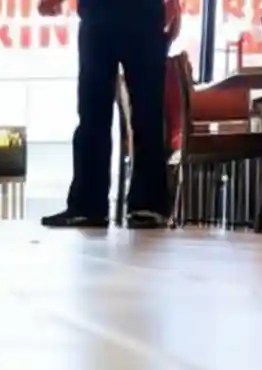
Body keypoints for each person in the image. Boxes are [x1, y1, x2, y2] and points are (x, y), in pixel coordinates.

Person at [38, 0, 181, 229]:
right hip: (112, 12)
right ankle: (94, 204)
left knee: (144, 110)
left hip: (131, 12)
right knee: (98, 109)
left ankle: (131, 204)